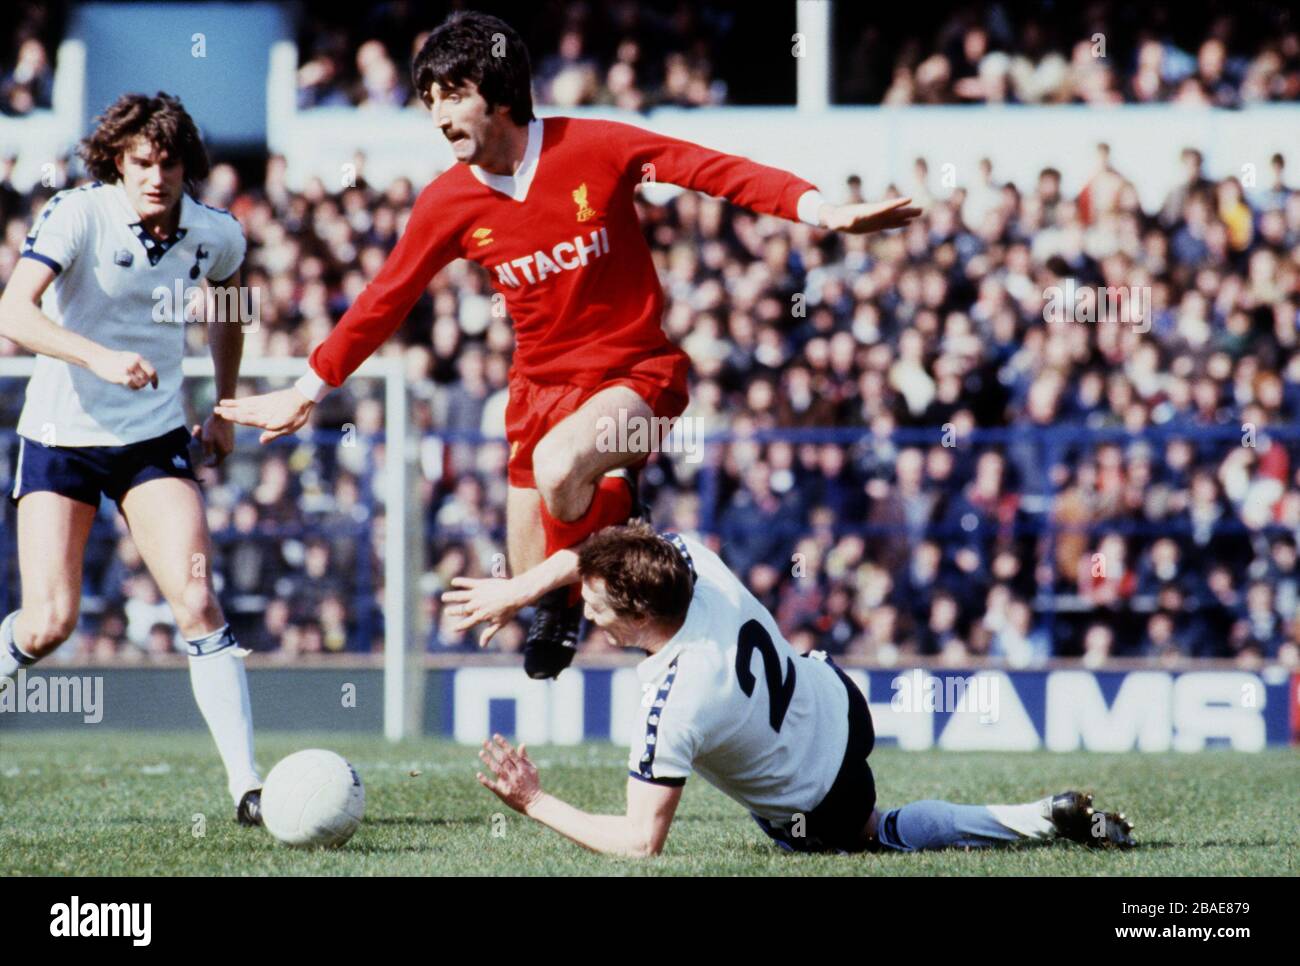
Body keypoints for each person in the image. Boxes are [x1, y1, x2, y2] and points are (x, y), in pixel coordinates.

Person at [215, 11, 920, 680]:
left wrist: (822, 210)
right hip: (539, 394)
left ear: (497, 95)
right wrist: (307, 391)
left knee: (559, 470)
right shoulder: (446, 202)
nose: (438, 114)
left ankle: (621, 507)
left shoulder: (596, 146)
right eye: (429, 99)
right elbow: (384, 299)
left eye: (453, 95)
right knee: (533, 586)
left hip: (639, 378)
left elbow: (714, 169)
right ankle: (587, 579)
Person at [448, 521, 1135, 856]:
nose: (585, 614)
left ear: (638, 614)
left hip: (821, 803)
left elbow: (638, 843)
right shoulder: (695, 561)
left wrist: (533, 801)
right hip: (841, 701)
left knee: (880, 836)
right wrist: (519, 589)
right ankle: (1043, 815)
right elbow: (605, 552)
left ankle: (1031, 819)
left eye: (595, 607)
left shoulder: (670, 698)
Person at [0, 92, 263, 825]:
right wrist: (100, 358)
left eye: (169, 163)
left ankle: (247, 787)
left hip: (152, 438)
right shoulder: (77, 214)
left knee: (199, 597)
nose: (156, 175)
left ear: (187, 167)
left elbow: (232, 310)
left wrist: (226, 406)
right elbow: (11, 311)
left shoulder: (216, 236)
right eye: (142, 161)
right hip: (60, 434)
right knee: (49, 623)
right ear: (117, 160)